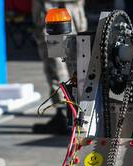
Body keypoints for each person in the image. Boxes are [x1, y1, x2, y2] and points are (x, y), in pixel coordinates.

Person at [32, 0, 88, 134]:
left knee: (57, 66)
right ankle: (78, 114)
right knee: (77, 64)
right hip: (72, 10)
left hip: (52, 11)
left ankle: (64, 115)